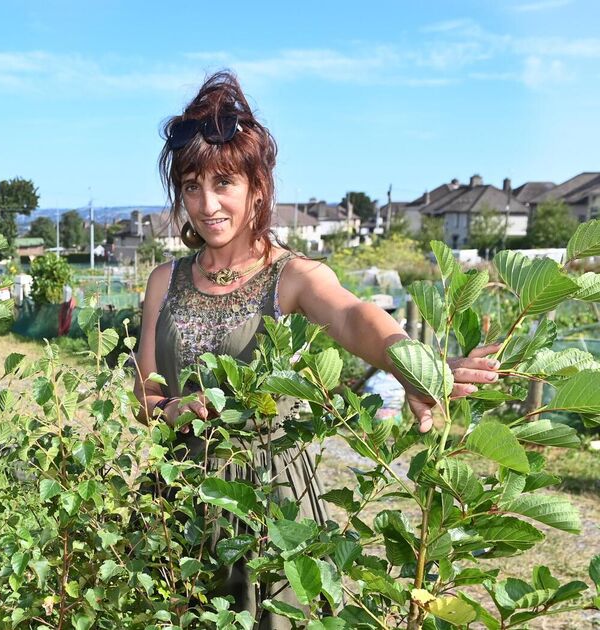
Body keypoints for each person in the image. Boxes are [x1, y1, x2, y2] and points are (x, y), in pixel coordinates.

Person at [133, 71, 501, 624]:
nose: (206, 203)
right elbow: (145, 390)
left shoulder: (292, 276)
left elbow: (352, 316)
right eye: (191, 185)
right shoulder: (165, 280)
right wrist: (170, 408)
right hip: (176, 497)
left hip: (268, 502)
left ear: (256, 186)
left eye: (223, 183)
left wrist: (410, 362)